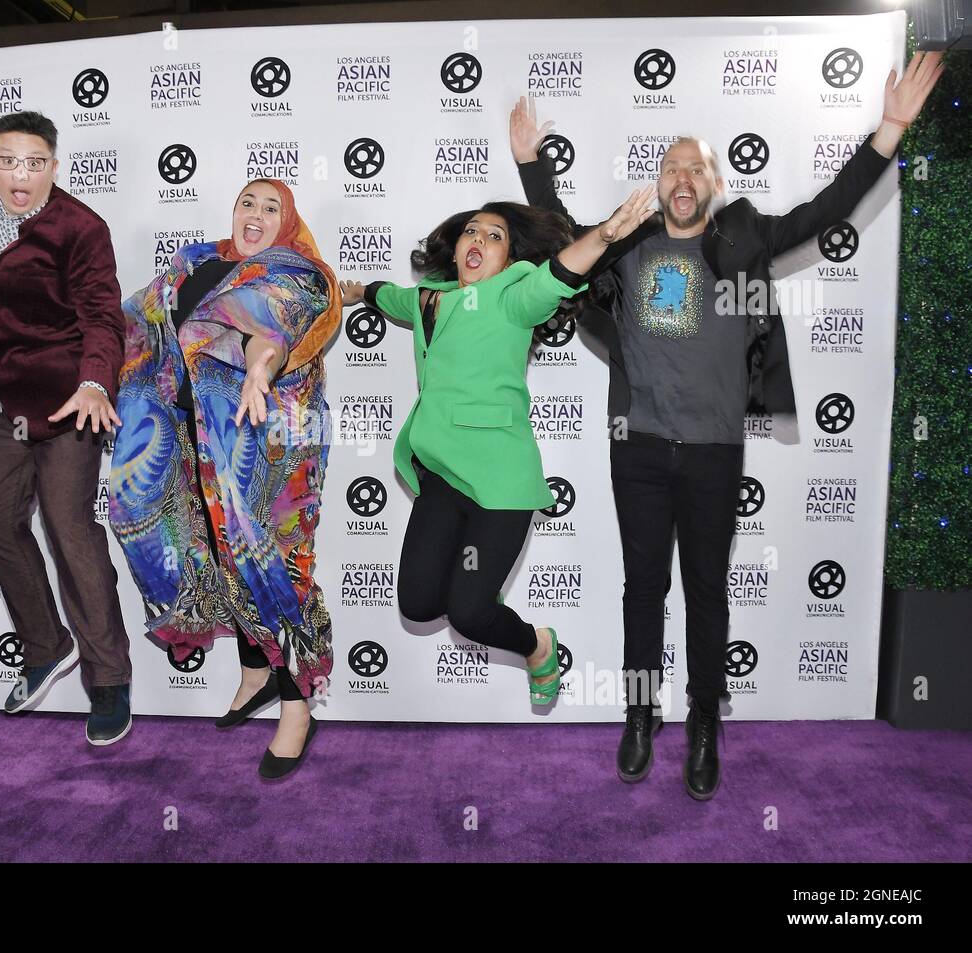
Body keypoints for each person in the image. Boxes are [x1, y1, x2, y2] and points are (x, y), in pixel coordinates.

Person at [510, 50, 946, 799]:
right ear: (659, 183)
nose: (682, 179)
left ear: (714, 185)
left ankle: (705, 720)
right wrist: (531, 165)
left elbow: (828, 209)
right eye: (671, 167)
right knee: (642, 589)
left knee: (707, 591)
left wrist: (890, 129)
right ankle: (640, 713)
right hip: (638, 448)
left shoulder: (744, 242)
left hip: (714, 451)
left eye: (696, 169)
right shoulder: (627, 243)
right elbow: (560, 241)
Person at [340, 192, 654, 710]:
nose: (479, 240)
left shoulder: (513, 296)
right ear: (457, 244)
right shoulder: (428, 300)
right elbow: (387, 295)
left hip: (500, 484)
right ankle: (478, 590)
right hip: (442, 476)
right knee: (417, 604)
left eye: (495, 236)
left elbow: (555, 275)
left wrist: (602, 237)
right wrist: (357, 291)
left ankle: (537, 645)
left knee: (470, 613)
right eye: (472, 231)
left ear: (508, 259)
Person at [109, 178, 340, 779]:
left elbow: (272, 328)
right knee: (217, 552)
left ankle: (298, 706)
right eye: (247, 203)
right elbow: (133, 322)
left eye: (271, 207)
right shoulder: (194, 263)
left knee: (270, 560)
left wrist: (261, 366)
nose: (256, 215)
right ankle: (255, 673)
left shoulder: (300, 273)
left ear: (286, 220)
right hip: (194, 439)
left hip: (268, 441)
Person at [0, 110, 133, 745]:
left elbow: (104, 314)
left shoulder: (79, 227)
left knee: (70, 529)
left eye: (34, 162)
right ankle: (46, 645)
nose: (20, 174)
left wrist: (96, 380)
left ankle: (108, 681)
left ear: (53, 164)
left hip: (69, 400)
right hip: (1, 402)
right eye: (7, 160)